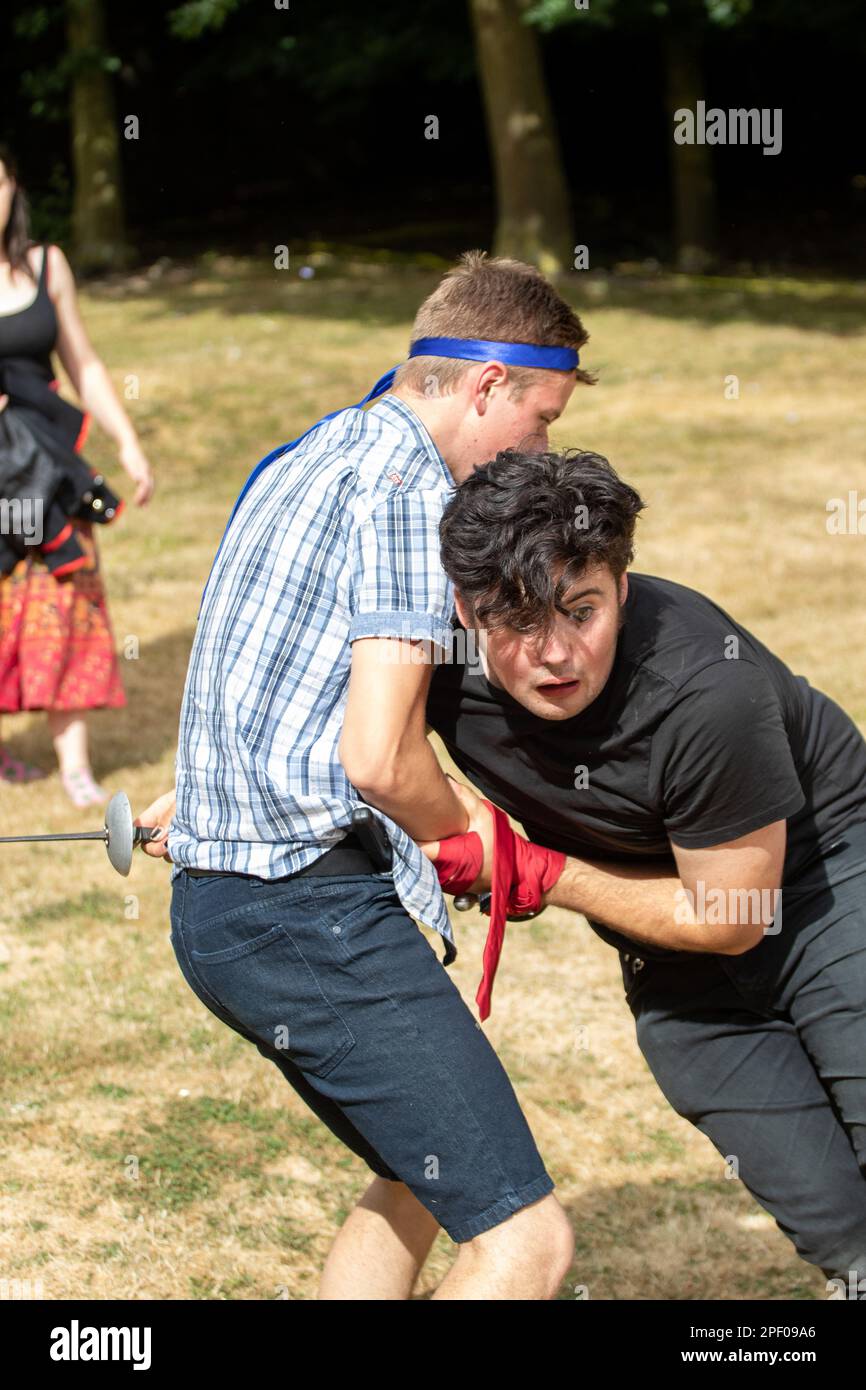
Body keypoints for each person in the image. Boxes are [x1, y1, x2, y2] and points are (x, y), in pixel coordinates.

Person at [139, 252, 595, 1299]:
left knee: (417, 1174)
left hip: (226, 917)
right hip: (303, 917)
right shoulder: (403, 491)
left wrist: (210, 798)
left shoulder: (312, 452)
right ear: (484, 387)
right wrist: (470, 842)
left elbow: (262, 674)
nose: (539, 450)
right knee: (527, 1241)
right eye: (538, 422)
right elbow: (379, 756)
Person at [418, 446, 866, 1297]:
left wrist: (546, 874)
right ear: (464, 612)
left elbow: (732, 915)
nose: (555, 654)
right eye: (516, 620)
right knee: (828, 1211)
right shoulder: (429, 662)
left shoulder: (705, 689)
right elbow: (335, 740)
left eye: (581, 610)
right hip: (670, 950)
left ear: (623, 587)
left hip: (828, 879)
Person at [0, 144, 154, 804]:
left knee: (69, 600)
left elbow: (85, 364)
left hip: (52, 464)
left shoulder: (45, 264)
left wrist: (127, 440)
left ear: (13, 189)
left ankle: (74, 764)